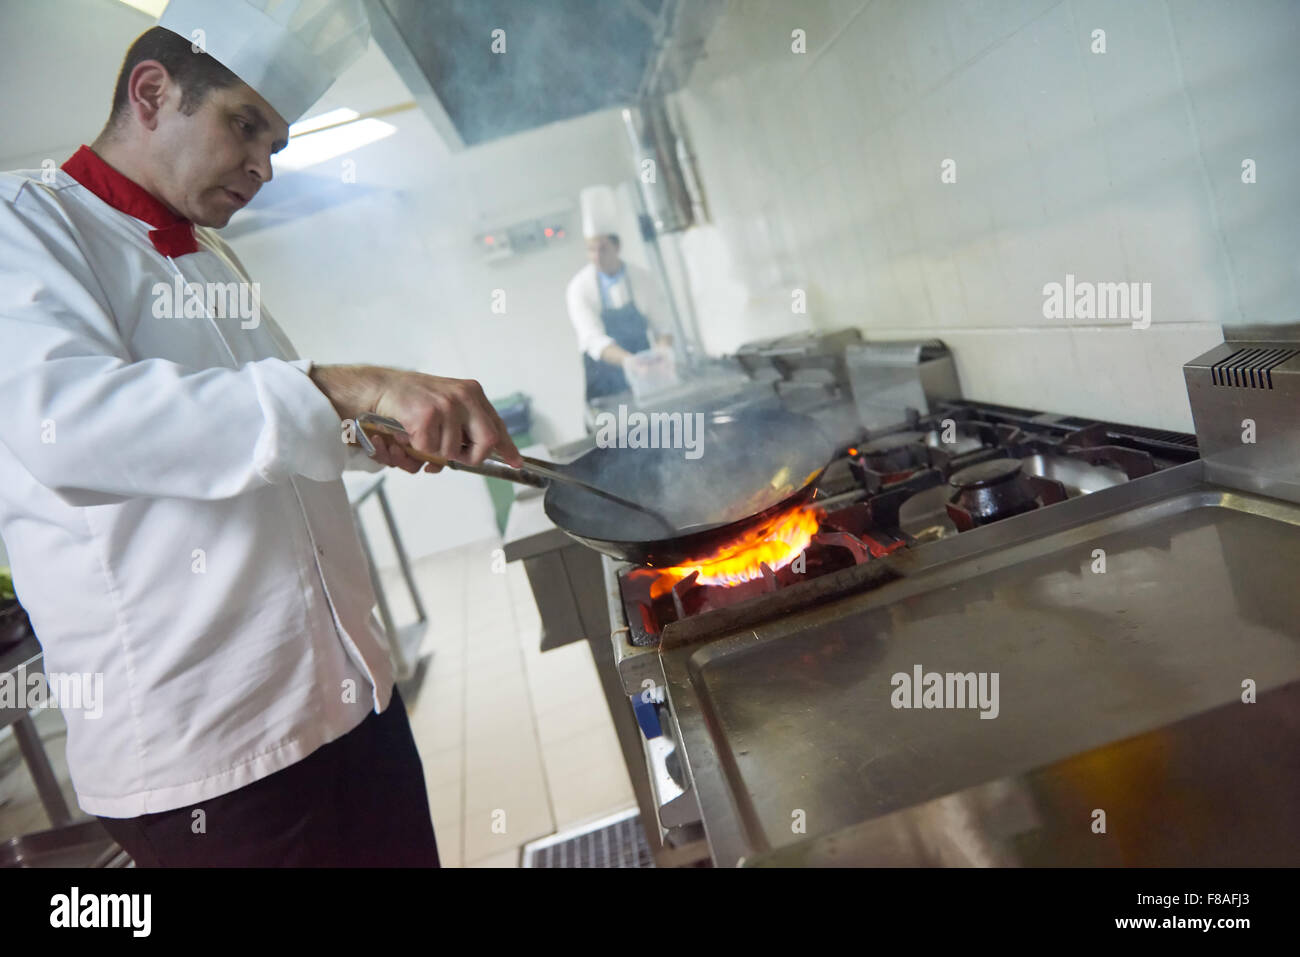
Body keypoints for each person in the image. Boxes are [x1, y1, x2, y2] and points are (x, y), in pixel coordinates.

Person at [0, 0, 521, 867]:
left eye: (276, 144)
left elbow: (258, 429)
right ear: (153, 91)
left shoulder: (210, 257)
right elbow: (70, 425)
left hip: (353, 702)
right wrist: (346, 387)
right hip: (217, 762)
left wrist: (366, 433)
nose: (263, 168)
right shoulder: (28, 223)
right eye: (246, 127)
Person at [565, 185, 674, 403]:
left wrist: (661, 355)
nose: (596, 256)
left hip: (647, 378)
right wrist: (631, 363)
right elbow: (592, 339)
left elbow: (663, 325)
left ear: (617, 247)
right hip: (605, 383)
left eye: (602, 248)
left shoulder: (642, 278)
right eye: (590, 249)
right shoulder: (579, 288)